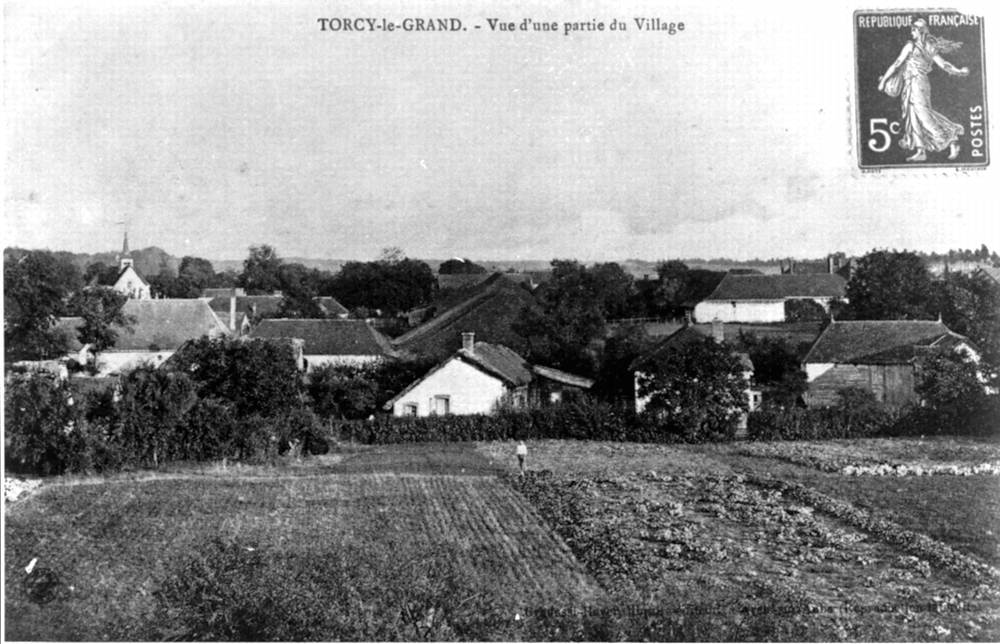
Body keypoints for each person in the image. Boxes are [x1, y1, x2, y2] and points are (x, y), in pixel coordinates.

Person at [877, 18, 970, 162]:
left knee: (923, 115)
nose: (911, 32)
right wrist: (959, 71)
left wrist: (883, 81)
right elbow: (944, 64)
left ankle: (951, 139)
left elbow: (897, 64)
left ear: (919, 31)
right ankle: (921, 151)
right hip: (911, 83)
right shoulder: (927, 47)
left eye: (913, 29)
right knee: (913, 116)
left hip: (917, 83)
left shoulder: (913, 46)